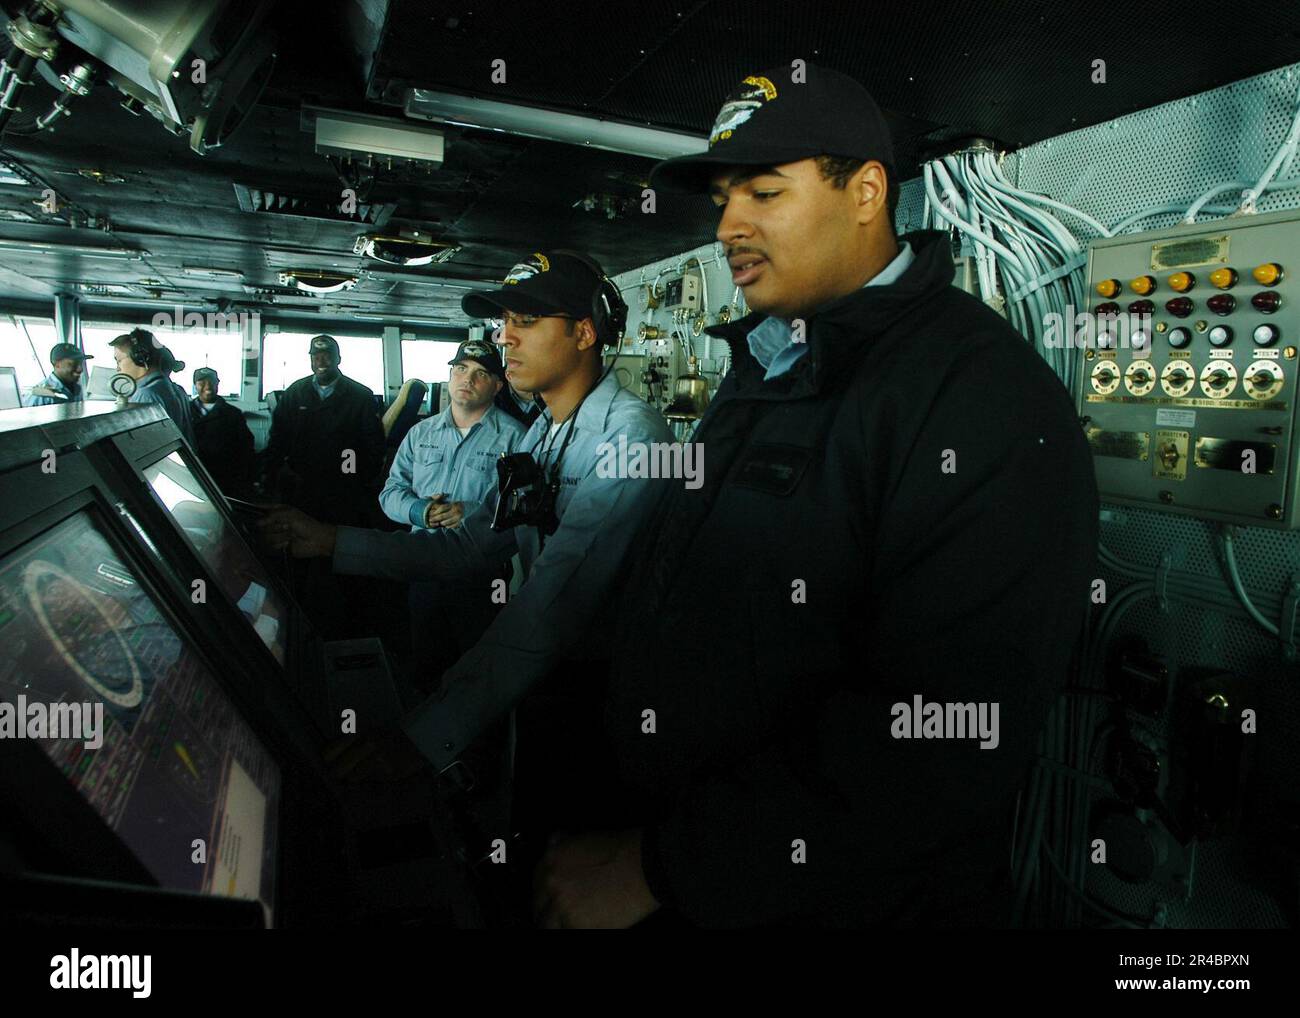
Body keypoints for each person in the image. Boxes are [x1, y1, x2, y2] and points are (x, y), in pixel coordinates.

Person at [529, 65, 1101, 928]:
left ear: (867, 192)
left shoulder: (979, 396)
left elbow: (939, 733)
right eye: (725, 197)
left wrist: (661, 868)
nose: (728, 226)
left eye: (764, 190)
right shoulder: (769, 361)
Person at [258, 251, 673, 789]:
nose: (505, 338)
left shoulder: (630, 440)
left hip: (604, 697)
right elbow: (468, 546)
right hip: (544, 677)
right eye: (504, 323)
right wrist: (331, 542)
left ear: (585, 332)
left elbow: (553, 605)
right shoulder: (542, 434)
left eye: (525, 321)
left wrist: (422, 736)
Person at [380, 338, 526, 690]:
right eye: (460, 369)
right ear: (450, 375)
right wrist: (420, 510)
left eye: (480, 374)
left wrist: (471, 512)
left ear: (497, 385)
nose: (467, 379)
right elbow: (389, 494)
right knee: (425, 661)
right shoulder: (420, 434)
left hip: (481, 574)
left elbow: (524, 508)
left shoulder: (516, 438)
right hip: (424, 566)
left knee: (477, 666)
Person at [258, 334, 386, 525]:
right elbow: (279, 436)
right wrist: (271, 471)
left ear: (338, 359)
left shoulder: (360, 395)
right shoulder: (296, 392)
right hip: (302, 479)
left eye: (327, 355)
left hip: (344, 480)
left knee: (337, 539)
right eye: (316, 356)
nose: (321, 361)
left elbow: (373, 443)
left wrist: (357, 478)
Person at [108, 328, 197, 446]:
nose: (117, 368)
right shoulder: (176, 389)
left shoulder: (145, 395)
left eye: (119, 360)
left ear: (139, 358)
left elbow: (142, 445)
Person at [189, 367, 256, 498]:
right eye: (201, 382)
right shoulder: (185, 411)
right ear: (194, 385)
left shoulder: (233, 414)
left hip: (225, 480)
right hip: (194, 476)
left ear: (218, 384)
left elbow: (246, 449)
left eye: (212, 382)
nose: (207, 387)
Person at [22, 342, 92, 406]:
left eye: (81, 363)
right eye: (73, 364)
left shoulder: (77, 389)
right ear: (57, 365)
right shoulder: (41, 395)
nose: (80, 369)